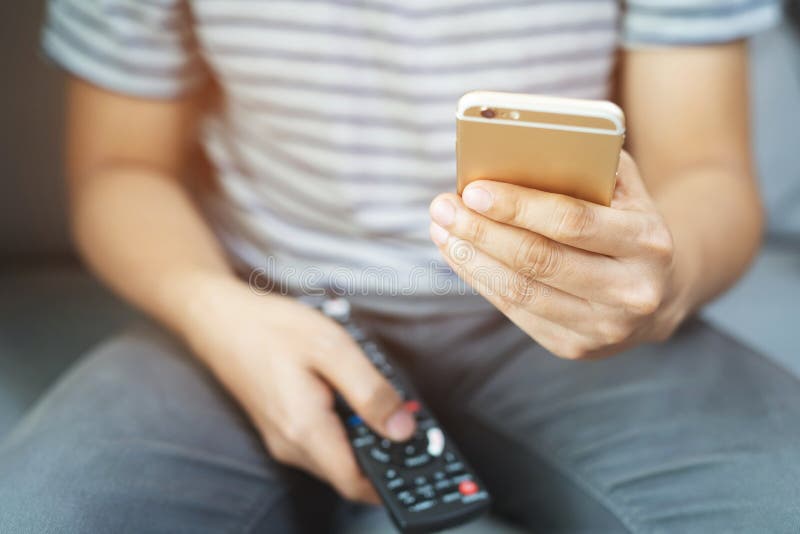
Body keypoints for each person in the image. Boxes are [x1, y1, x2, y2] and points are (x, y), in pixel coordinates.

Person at [1, 0, 798, 532]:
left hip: (559, 317)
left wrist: (660, 287)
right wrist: (218, 314)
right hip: (254, 299)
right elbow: (119, 169)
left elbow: (707, 172)